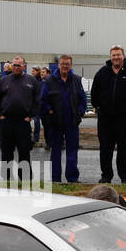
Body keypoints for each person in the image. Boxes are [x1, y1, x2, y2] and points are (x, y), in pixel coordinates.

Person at [89, 45, 126, 184]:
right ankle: (106, 175)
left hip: (124, 118)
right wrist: (98, 107)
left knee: (123, 148)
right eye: (113, 55)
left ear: (123, 55)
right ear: (110, 57)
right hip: (105, 119)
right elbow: (94, 92)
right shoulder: (102, 72)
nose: (116, 57)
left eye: (118, 55)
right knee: (105, 149)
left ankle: (125, 176)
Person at [39, 54, 87, 183]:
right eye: (62, 64)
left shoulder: (76, 80)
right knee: (55, 151)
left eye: (67, 64)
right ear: (58, 65)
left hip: (72, 122)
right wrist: (49, 111)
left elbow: (83, 99)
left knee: (72, 151)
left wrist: (80, 112)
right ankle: (55, 179)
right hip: (56, 122)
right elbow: (43, 100)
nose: (65, 66)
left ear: (71, 65)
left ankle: (72, 178)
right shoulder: (49, 81)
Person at [0, 55, 39, 187]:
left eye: (18, 65)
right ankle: (6, 179)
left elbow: (37, 101)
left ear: (24, 66)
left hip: (23, 122)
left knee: (24, 152)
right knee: (6, 152)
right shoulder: (3, 81)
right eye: (14, 65)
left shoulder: (32, 81)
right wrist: (0, 115)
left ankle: (25, 179)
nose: (16, 67)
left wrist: (30, 116)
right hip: (6, 122)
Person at [30, 66, 45, 146]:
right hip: (34, 104)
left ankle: (36, 137)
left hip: (39, 104)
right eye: (32, 71)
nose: (32, 72)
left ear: (37, 72)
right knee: (34, 120)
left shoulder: (41, 81)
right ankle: (33, 137)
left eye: (34, 71)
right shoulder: (32, 80)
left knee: (37, 121)